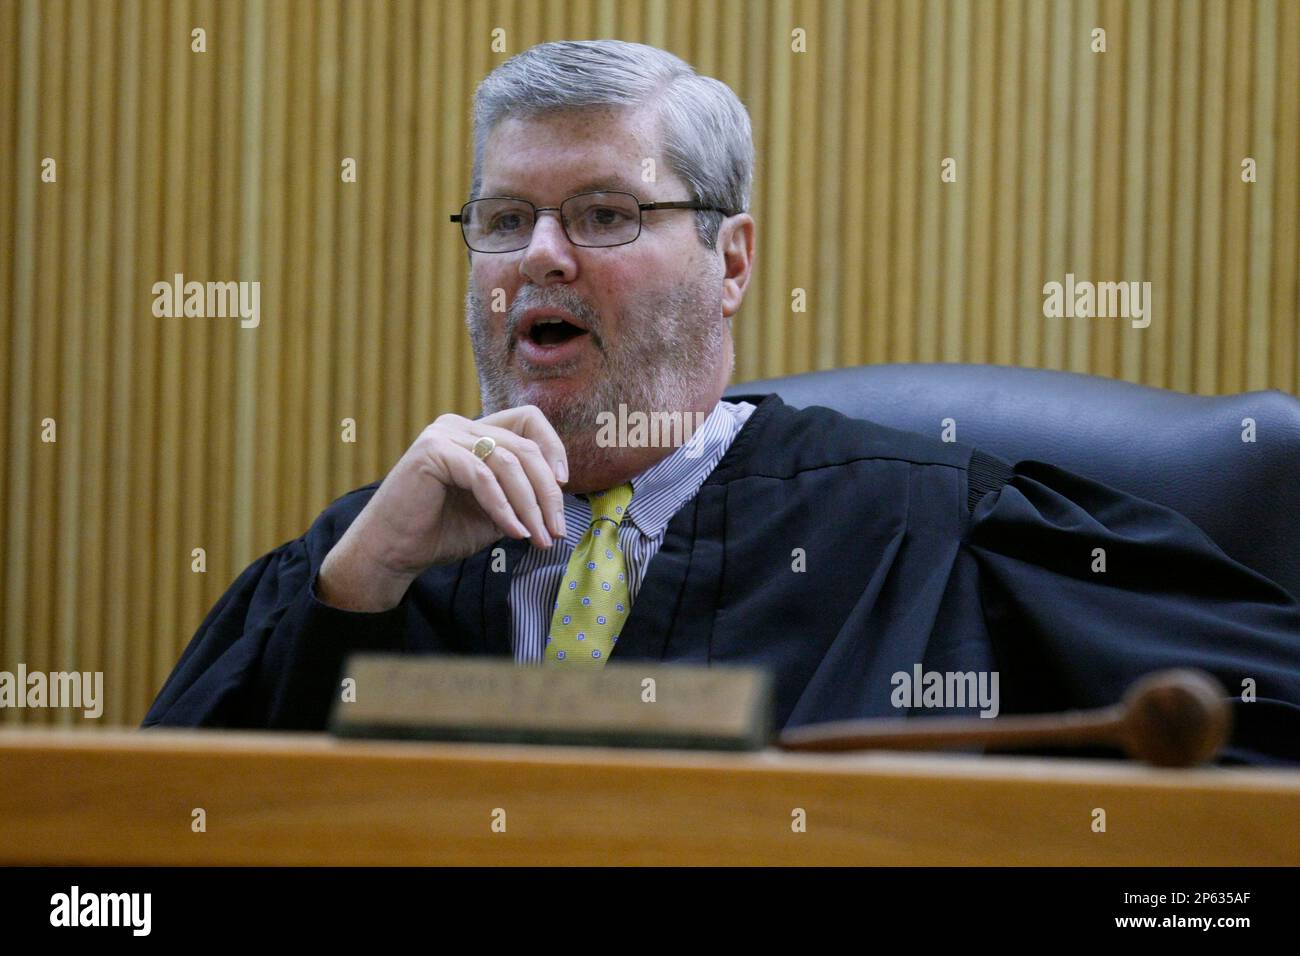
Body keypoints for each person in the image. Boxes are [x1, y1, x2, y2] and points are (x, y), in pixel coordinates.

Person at [143, 40, 1300, 765]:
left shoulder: (928, 526)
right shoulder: (374, 554)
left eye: (603, 214)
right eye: (503, 220)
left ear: (731, 259)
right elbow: (128, 863)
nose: (537, 258)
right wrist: (351, 587)